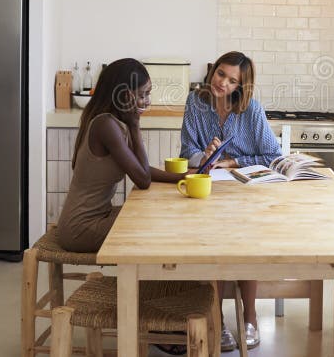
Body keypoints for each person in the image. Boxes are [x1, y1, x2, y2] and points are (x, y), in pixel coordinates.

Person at [180, 51, 281, 351]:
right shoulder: (195, 103)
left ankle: (249, 318)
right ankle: (218, 319)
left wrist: (234, 161)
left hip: (245, 193)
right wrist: (207, 156)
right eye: (220, 74)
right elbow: (187, 151)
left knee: (246, 246)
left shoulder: (252, 112)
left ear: (241, 86)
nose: (222, 82)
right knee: (214, 249)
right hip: (209, 193)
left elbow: (273, 156)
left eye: (231, 80)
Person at [57, 58, 185, 253]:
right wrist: (135, 124)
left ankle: (158, 281)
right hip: (80, 229)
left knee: (156, 215)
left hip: (99, 217)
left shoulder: (112, 122)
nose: (148, 101)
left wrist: (183, 177)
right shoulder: (106, 125)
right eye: (143, 95)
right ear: (125, 96)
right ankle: (147, 282)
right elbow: (143, 179)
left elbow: (139, 169)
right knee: (155, 226)